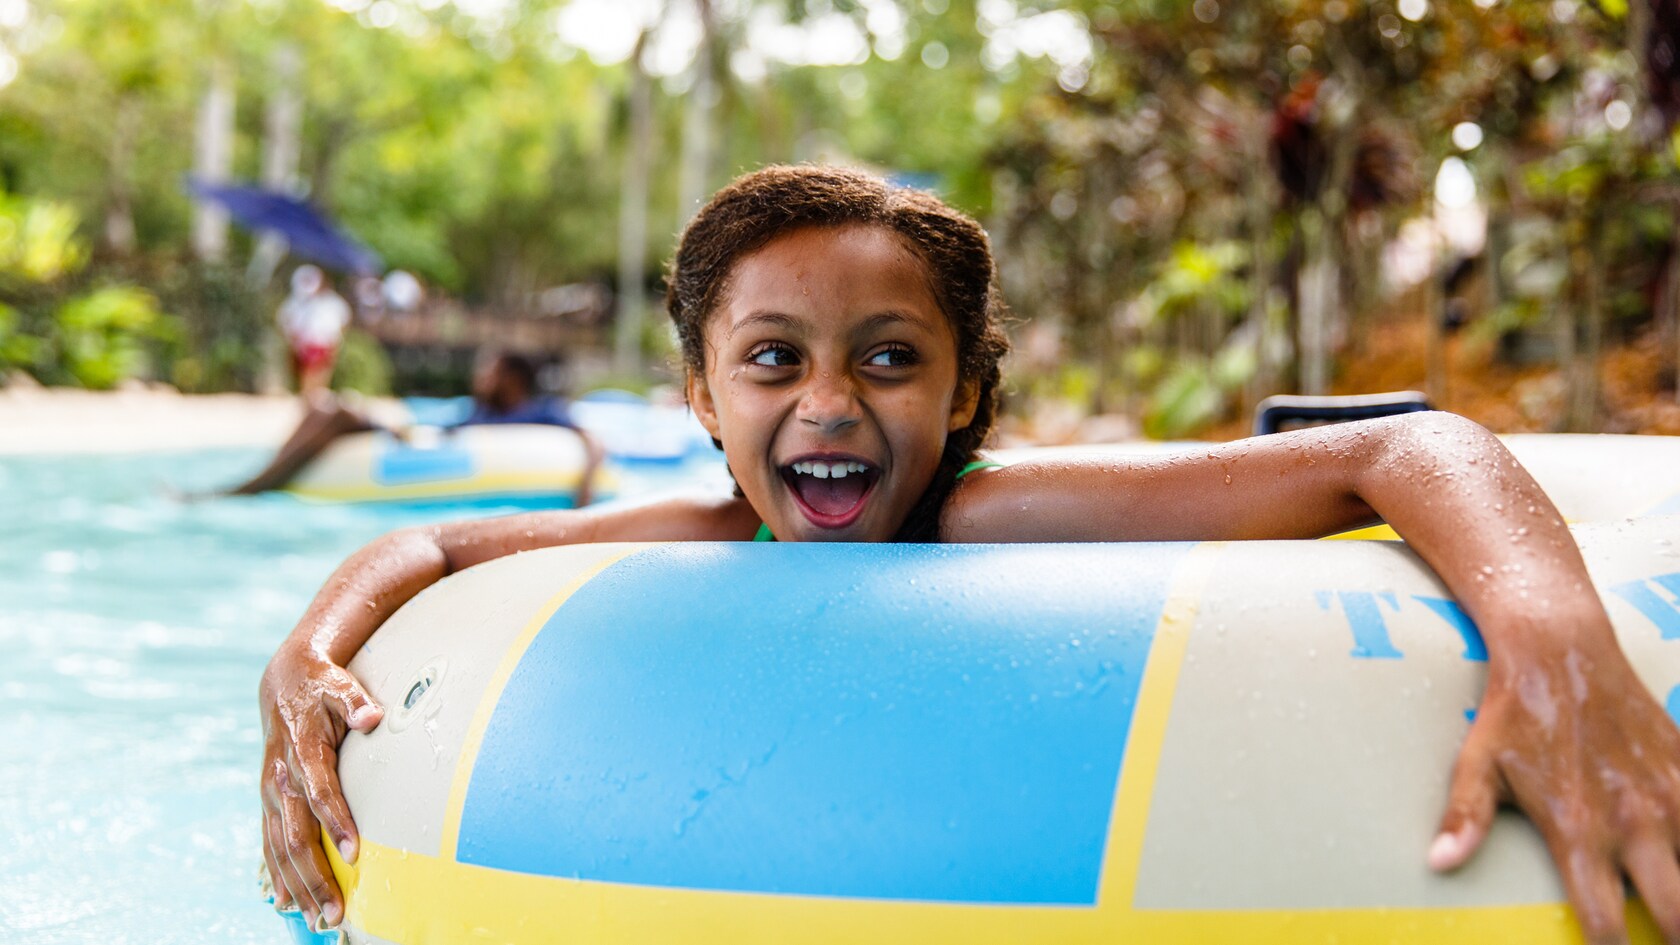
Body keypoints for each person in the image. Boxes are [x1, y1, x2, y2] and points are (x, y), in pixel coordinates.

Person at [259, 165, 1680, 944]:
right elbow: (434, 538)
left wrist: (1551, 630)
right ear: (701, 399)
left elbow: (1402, 451)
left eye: (889, 359)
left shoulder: (998, 508)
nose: (827, 404)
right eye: (772, 361)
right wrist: (306, 659)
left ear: (965, 396)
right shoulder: (704, 532)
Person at [222, 349, 602, 504]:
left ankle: (251, 486)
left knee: (335, 412)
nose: (479, 376)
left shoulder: (539, 414)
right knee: (326, 408)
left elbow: (591, 440)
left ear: (514, 379)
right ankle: (257, 481)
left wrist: (584, 487)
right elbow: (436, 433)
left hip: (464, 463)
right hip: (423, 445)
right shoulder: (476, 412)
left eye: (489, 370)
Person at [279, 265, 352, 399]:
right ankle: (309, 397)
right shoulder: (298, 301)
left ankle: (315, 397)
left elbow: (342, 321)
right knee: (309, 373)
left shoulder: (332, 302)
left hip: (323, 342)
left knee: (321, 372)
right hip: (307, 343)